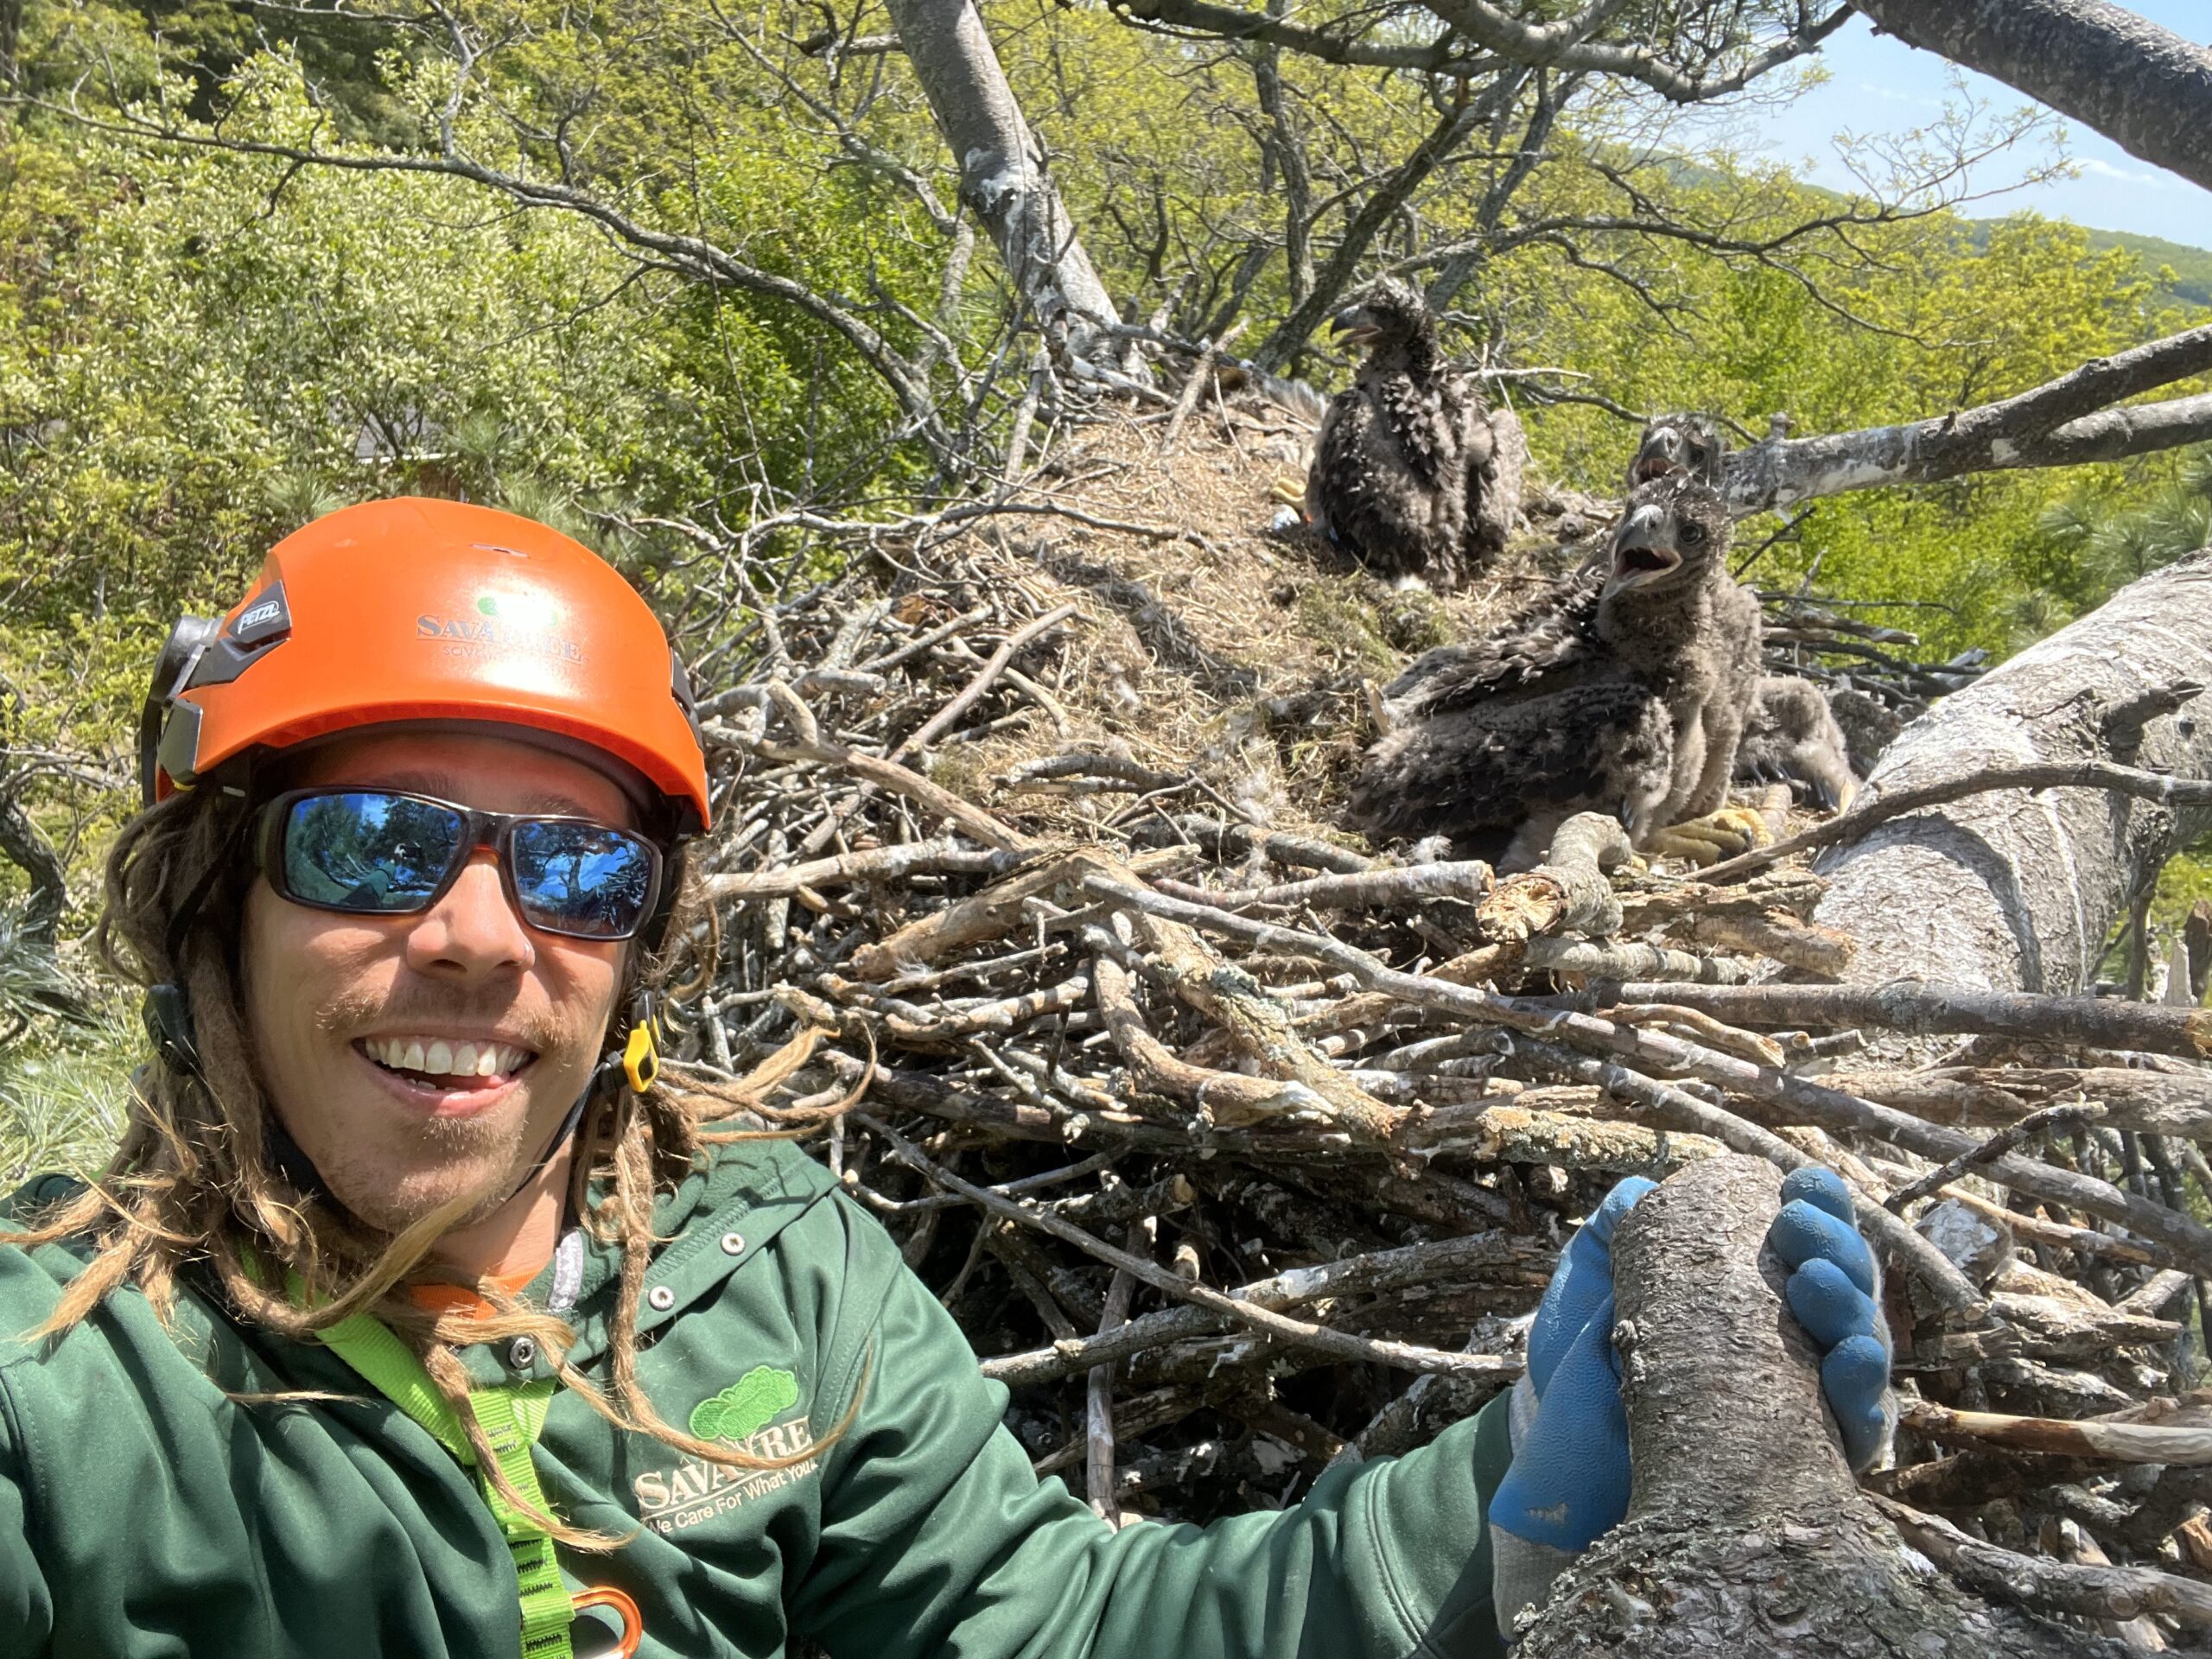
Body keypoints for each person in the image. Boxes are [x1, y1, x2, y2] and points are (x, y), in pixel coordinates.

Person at [0, 499, 1891, 1657]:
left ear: (642, 948)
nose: (486, 938)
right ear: (211, 909)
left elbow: (1051, 1633)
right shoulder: (64, 1388)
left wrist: (1509, 1497)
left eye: (580, 871)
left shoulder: (763, 1267)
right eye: (374, 845)